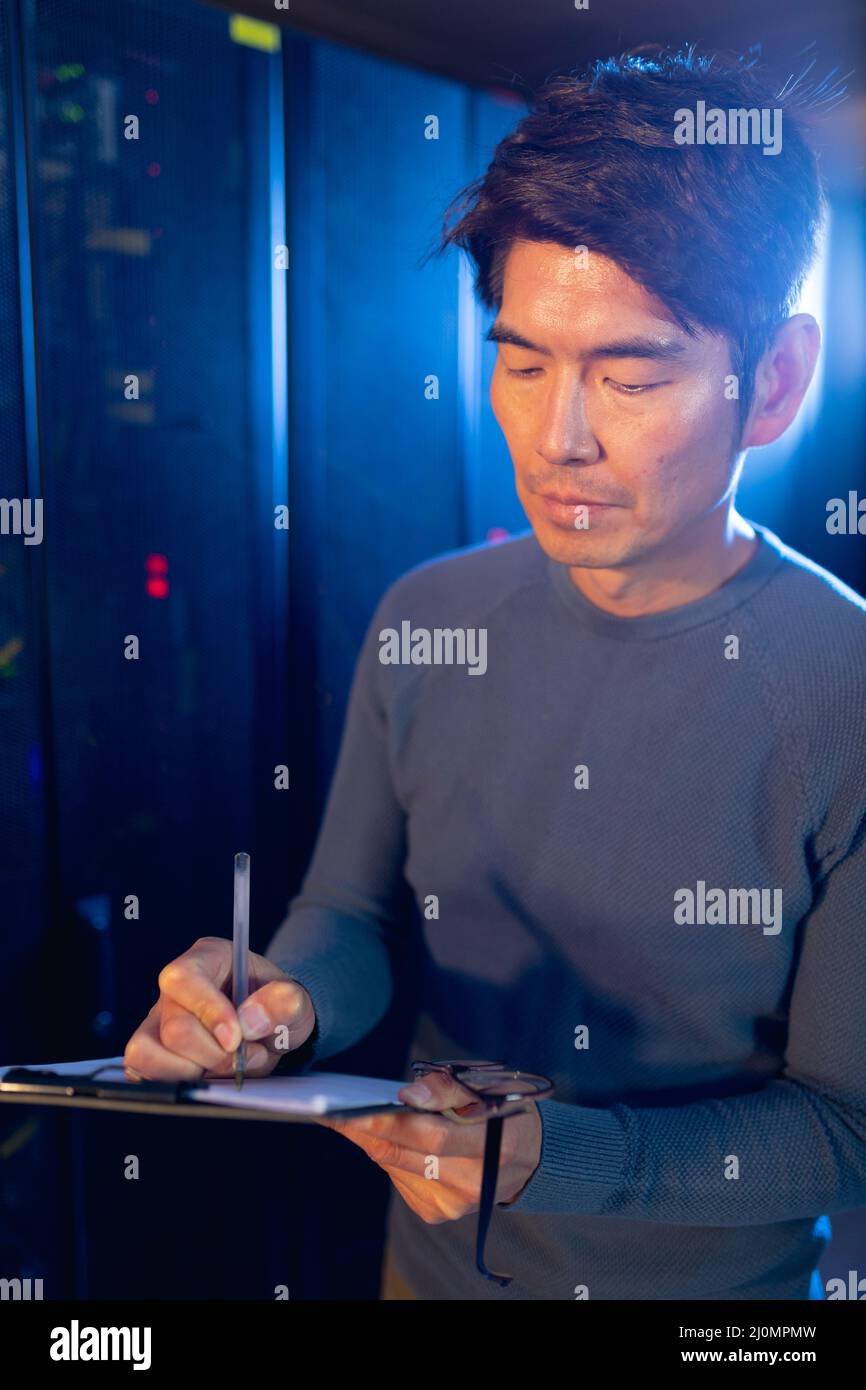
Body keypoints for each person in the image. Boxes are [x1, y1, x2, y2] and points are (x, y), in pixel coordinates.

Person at [123, 47, 866, 1300]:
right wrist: (278, 1003)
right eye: (521, 362)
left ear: (774, 381)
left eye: (629, 376)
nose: (557, 437)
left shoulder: (838, 686)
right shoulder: (428, 616)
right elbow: (351, 916)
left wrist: (550, 1157)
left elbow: (842, 1129)